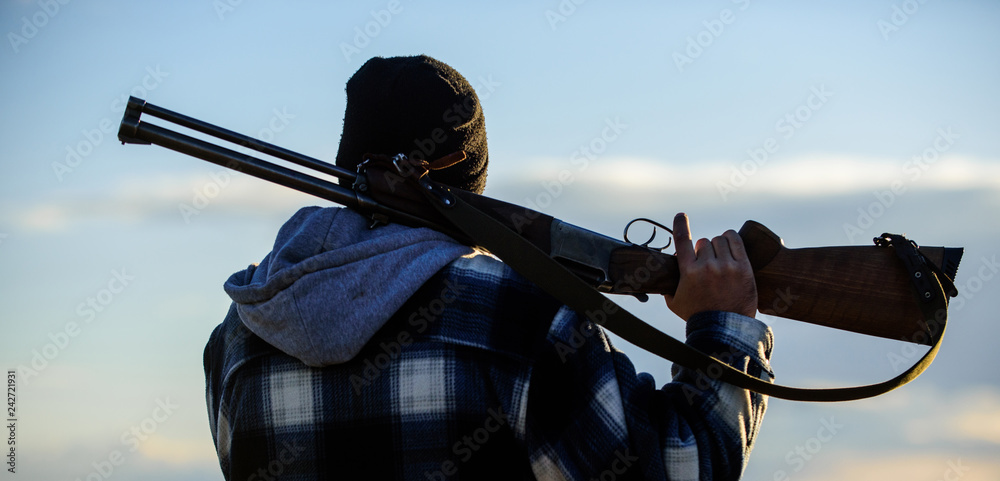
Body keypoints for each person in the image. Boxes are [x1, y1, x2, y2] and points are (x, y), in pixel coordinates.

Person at [204, 55, 773, 481]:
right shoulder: (524, 315)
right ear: (470, 178)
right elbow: (681, 468)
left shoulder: (238, 335)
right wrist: (722, 328)